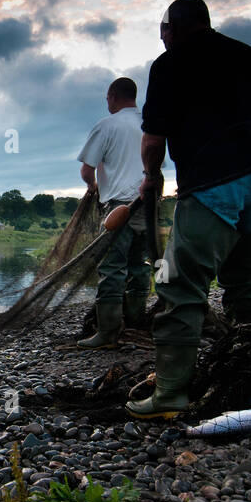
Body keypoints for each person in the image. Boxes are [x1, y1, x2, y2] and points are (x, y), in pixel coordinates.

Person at [127, 0, 251, 418]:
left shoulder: (169, 64)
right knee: (243, 279)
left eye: (162, 33)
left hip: (217, 180)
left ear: (172, 29)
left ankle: (171, 395)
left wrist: (152, 175)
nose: (162, 40)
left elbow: (153, 138)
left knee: (180, 287)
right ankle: (250, 372)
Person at [75, 76, 149, 348]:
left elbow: (86, 169)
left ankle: (108, 333)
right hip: (146, 205)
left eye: (107, 98)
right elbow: (155, 161)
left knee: (112, 267)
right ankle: (136, 321)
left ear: (113, 96)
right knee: (139, 265)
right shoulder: (148, 124)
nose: (107, 102)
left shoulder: (106, 126)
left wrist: (92, 185)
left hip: (117, 207)